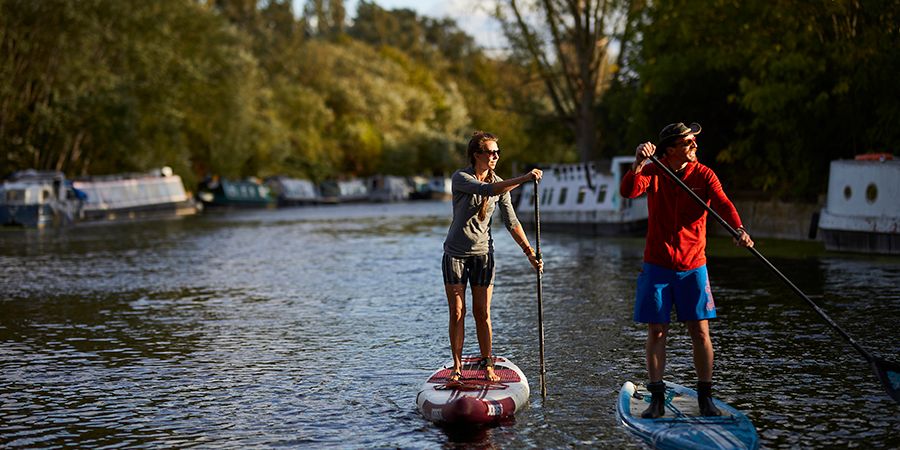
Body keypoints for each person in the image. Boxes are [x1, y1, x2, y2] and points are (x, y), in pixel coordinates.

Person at [619, 122, 754, 418]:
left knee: (700, 331)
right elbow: (628, 190)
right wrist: (638, 163)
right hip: (658, 265)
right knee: (657, 331)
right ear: (670, 150)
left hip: (694, 266)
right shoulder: (654, 171)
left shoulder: (704, 174)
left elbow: (723, 203)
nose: (695, 146)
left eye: (694, 141)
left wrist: (739, 229)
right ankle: (656, 399)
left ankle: (706, 398)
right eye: (688, 143)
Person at [442, 131, 543, 382]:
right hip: (455, 254)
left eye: (498, 152)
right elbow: (487, 190)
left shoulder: (501, 185)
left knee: (482, 312)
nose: (496, 156)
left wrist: (529, 253)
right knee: (457, 311)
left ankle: (488, 365)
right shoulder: (461, 178)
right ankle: (457, 367)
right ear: (477, 155)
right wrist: (525, 178)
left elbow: (512, 222)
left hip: (483, 254)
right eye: (491, 152)